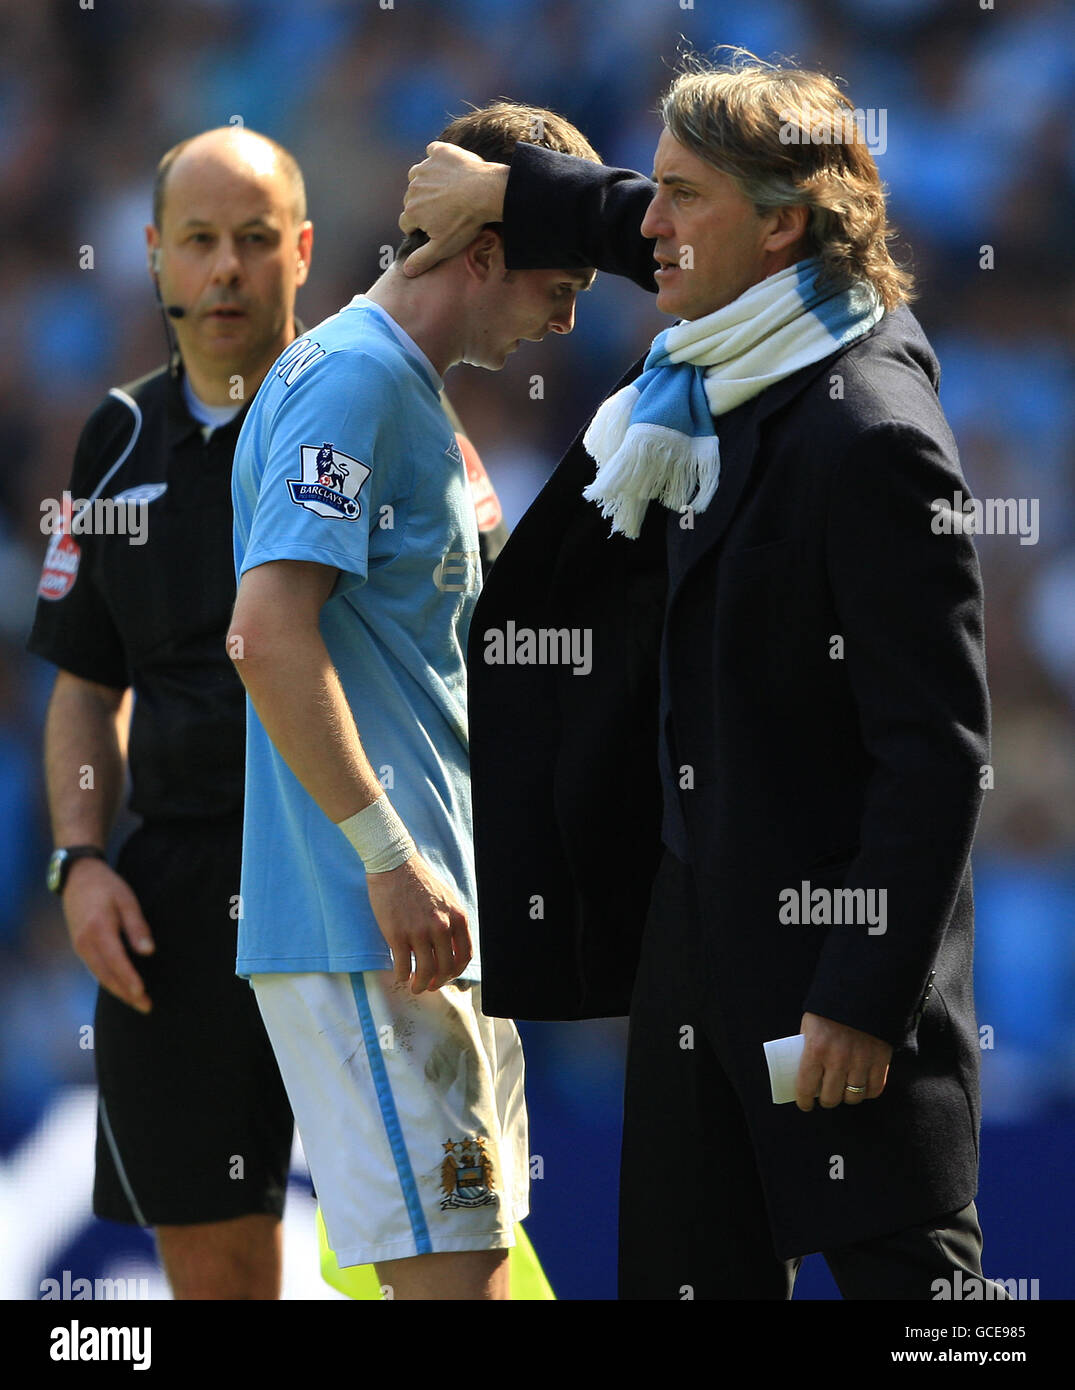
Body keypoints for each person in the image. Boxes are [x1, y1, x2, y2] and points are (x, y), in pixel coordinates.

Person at [400, 53, 1002, 1300]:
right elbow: (643, 217)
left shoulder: (869, 432)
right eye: (648, 197)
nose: (648, 230)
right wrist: (511, 188)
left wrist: (858, 992)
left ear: (781, 221)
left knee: (922, 1304)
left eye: (679, 197)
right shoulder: (734, 351)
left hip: (830, 983)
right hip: (691, 949)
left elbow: (934, 753)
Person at [25, 124, 508, 1301]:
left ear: (301, 249)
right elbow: (87, 689)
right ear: (151, 255)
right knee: (217, 1269)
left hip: (354, 872)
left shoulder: (370, 401)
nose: (227, 268)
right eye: (199, 241)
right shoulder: (115, 440)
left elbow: (482, 658)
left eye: (253, 239)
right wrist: (80, 861)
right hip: (180, 897)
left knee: (442, 1247)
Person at [227, 102, 599, 1302]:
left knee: (475, 1272)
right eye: (561, 275)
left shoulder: (407, 391)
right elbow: (265, 633)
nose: (570, 313)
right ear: (481, 249)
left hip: (428, 916)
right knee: (457, 1285)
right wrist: (387, 856)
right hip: (372, 917)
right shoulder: (354, 383)